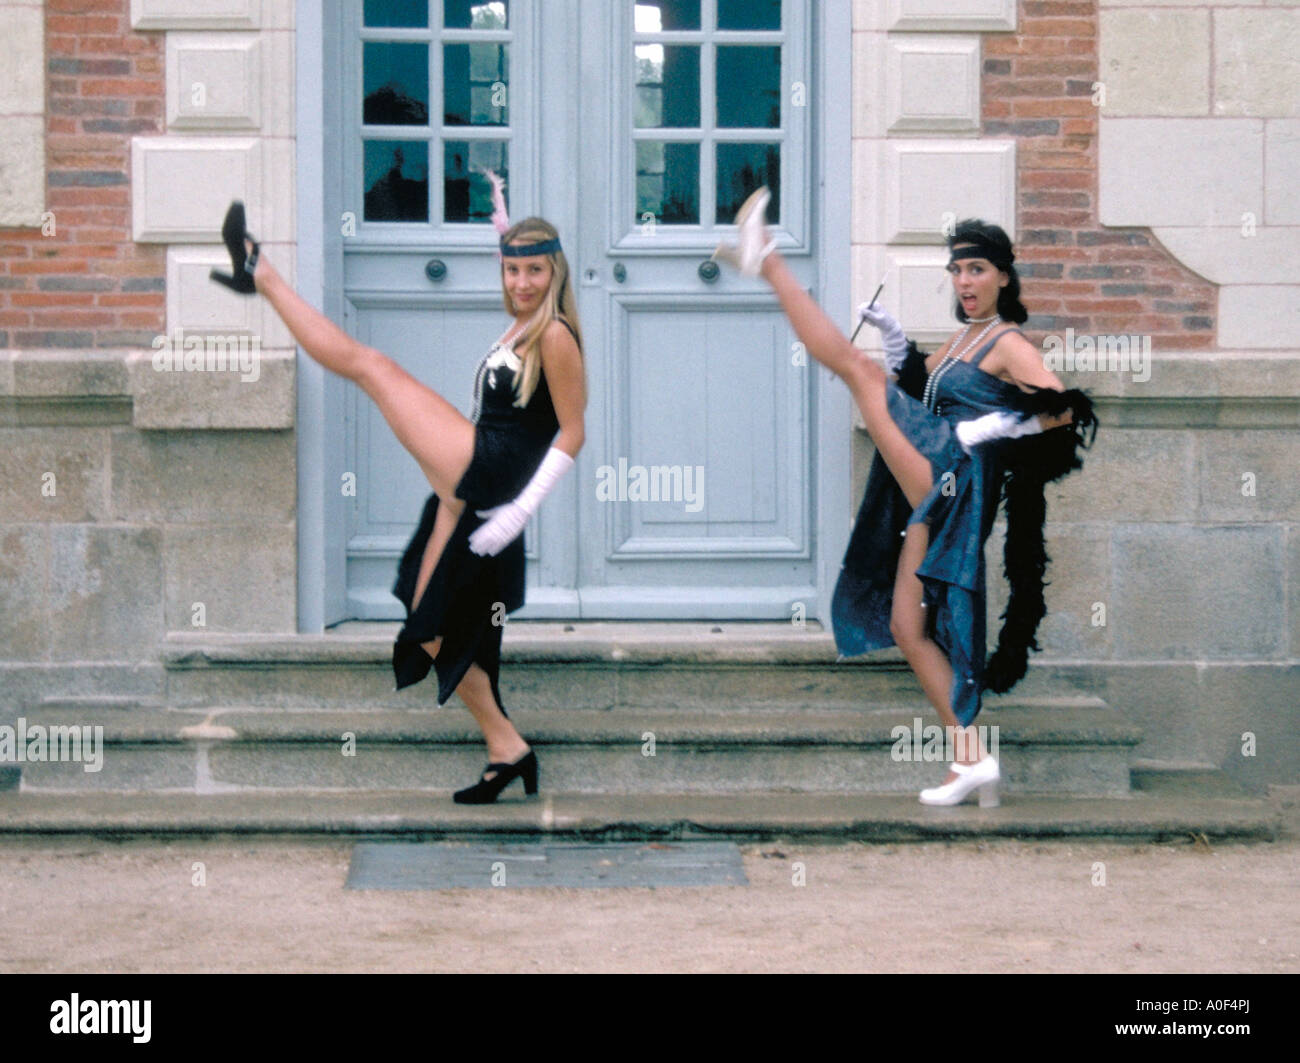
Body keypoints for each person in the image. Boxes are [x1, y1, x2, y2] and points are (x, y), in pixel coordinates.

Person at [713, 188, 1096, 807]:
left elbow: (1064, 415)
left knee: (855, 372)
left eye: (977, 269)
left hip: (959, 475)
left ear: (1003, 276)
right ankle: (971, 759)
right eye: (957, 270)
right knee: (907, 625)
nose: (965, 281)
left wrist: (991, 429)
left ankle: (770, 264)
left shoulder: (1008, 343)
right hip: (937, 478)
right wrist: (898, 348)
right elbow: (918, 397)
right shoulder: (960, 341)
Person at [211, 201, 586, 804]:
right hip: (473, 477)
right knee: (425, 618)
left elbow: (572, 432)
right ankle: (506, 746)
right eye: (512, 271)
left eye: (535, 272)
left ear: (556, 273)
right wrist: (512, 235)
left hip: (490, 473)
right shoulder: (522, 325)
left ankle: (261, 274)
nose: (521, 283)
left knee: (370, 365)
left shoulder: (558, 336)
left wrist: (520, 512)